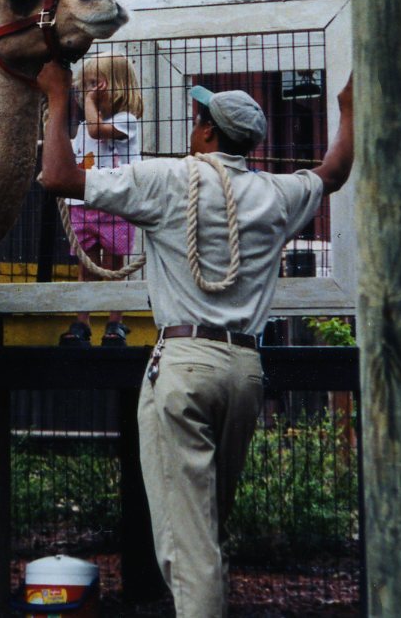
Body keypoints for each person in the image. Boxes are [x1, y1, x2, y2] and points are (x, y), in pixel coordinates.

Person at [38, 75, 354, 618]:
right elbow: (333, 172)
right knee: (206, 529)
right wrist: (347, 111)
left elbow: (58, 177)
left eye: (198, 118)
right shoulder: (277, 195)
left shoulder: (166, 180)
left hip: (184, 367)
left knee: (190, 546)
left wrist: (56, 97)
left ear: (208, 133)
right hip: (245, 371)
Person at [58, 55, 144, 348]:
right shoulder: (84, 126)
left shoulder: (126, 121)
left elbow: (97, 130)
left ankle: (114, 322)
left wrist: (89, 103)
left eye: (95, 84)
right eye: (86, 85)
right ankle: (82, 322)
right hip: (83, 206)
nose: (88, 91)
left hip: (115, 206)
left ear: (115, 86)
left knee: (114, 264)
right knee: (86, 265)